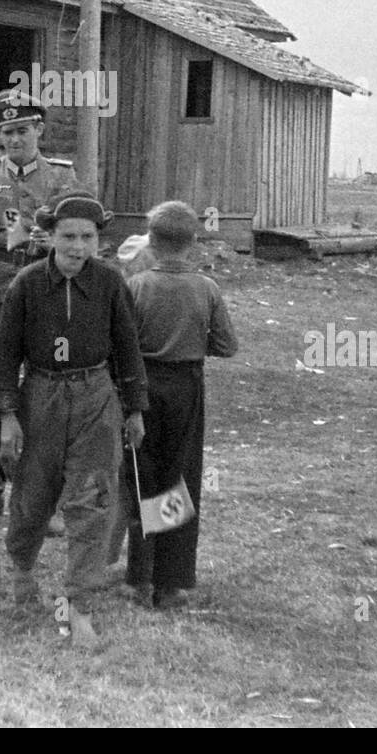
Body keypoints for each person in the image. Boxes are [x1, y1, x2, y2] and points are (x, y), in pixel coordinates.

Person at [0, 192, 148, 650]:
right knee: (33, 495)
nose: (78, 247)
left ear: (99, 239)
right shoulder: (24, 284)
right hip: (40, 396)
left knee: (93, 499)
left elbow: (127, 348)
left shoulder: (110, 283)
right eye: (68, 237)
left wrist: (135, 408)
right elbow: (4, 356)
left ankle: (79, 605)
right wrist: (7, 415)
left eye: (88, 237)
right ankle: (22, 569)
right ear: (50, 237)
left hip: (97, 398)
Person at [0, 89, 74, 520]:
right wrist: (0, 237)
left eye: (23, 130)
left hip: (45, 286)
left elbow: (82, 223)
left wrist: (55, 239)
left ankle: (48, 491)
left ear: (39, 129)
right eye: (7, 132)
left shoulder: (62, 175)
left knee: (50, 384)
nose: (15, 140)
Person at [120, 201, 238, 609]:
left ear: (150, 240)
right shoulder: (207, 288)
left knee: (141, 477)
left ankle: (138, 576)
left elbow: (123, 344)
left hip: (142, 387)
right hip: (186, 387)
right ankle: (171, 582)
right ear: (193, 242)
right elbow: (227, 346)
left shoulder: (135, 286)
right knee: (179, 479)